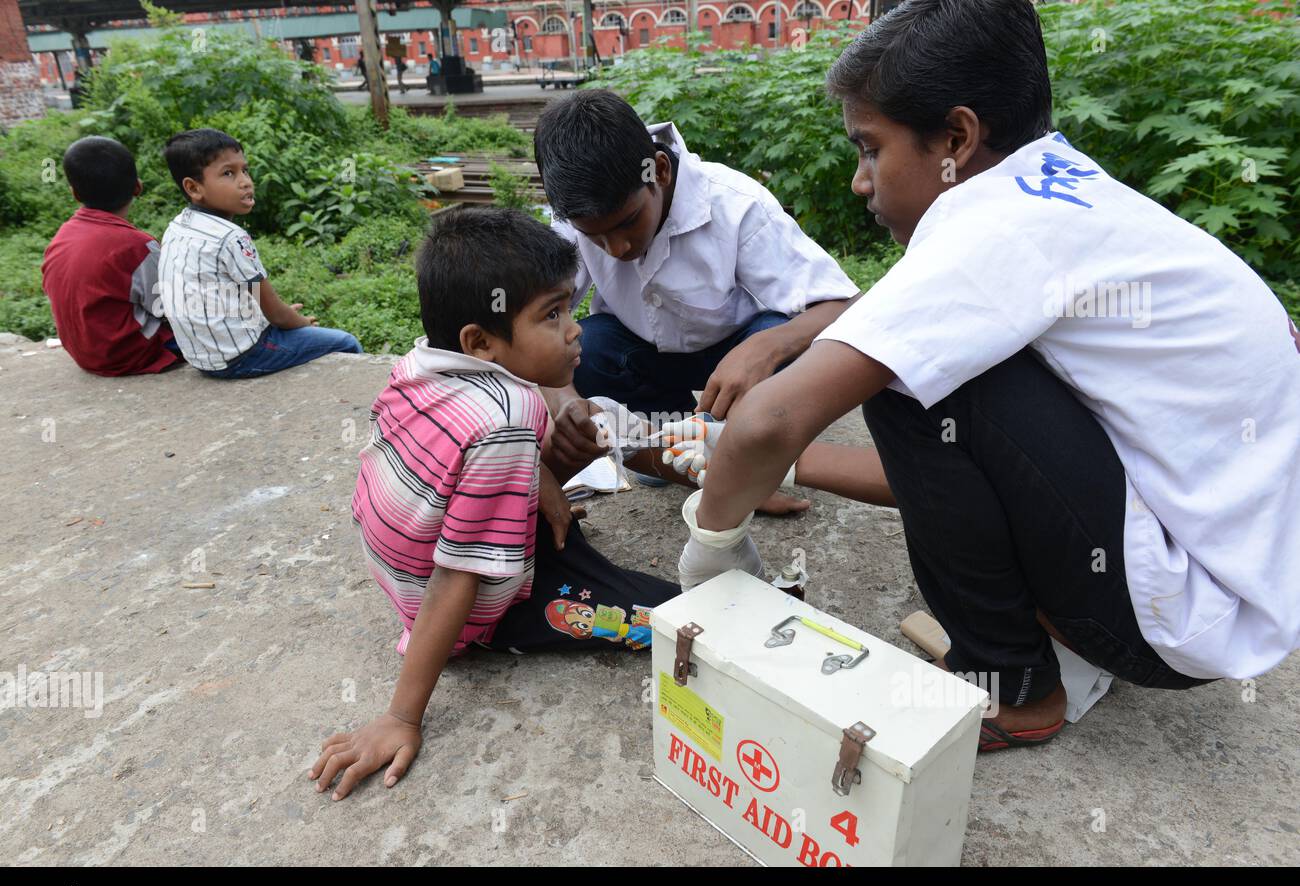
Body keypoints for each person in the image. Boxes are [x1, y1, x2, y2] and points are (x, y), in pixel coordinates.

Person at [673, 0, 1300, 752]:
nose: (859, 182)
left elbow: (770, 421)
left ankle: (1015, 686)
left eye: (870, 150)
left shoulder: (991, 232)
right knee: (926, 364)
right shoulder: (1057, 185)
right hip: (1228, 580)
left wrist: (712, 543)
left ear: (957, 139)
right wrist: (793, 403)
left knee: (908, 382)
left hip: (1178, 617)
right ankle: (1045, 625)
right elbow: (988, 462)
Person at [308, 206, 679, 800]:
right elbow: (456, 577)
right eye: (551, 314)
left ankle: (538, 526)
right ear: (481, 342)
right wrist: (402, 716)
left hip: (409, 557)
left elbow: (454, 458)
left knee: (570, 534)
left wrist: (543, 485)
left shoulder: (422, 364)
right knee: (671, 616)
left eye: (568, 306)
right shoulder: (507, 417)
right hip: (464, 607)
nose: (575, 328)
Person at [533, 89, 861, 514]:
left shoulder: (737, 205)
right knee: (590, 347)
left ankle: (744, 451)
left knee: (787, 345)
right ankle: (672, 444)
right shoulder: (573, 218)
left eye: (628, 222)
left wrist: (765, 348)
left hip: (734, 353)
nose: (615, 247)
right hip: (643, 356)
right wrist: (562, 398)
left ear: (661, 172)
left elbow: (844, 304)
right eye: (594, 236)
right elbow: (528, 317)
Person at [157, 128, 363, 379]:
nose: (245, 181)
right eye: (228, 173)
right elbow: (276, 315)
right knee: (346, 342)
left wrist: (277, 313)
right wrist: (300, 322)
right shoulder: (230, 238)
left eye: (245, 170)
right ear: (193, 187)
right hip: (240, 357)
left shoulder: (178, 226)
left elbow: (240, 292)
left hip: (201, 356)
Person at [41, 136, 182, 376]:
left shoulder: (61, 237)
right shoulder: (138, 246)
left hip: (83, 353)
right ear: (138, 186)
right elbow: (169, 307)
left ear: (74, 193)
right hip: (129, 354)